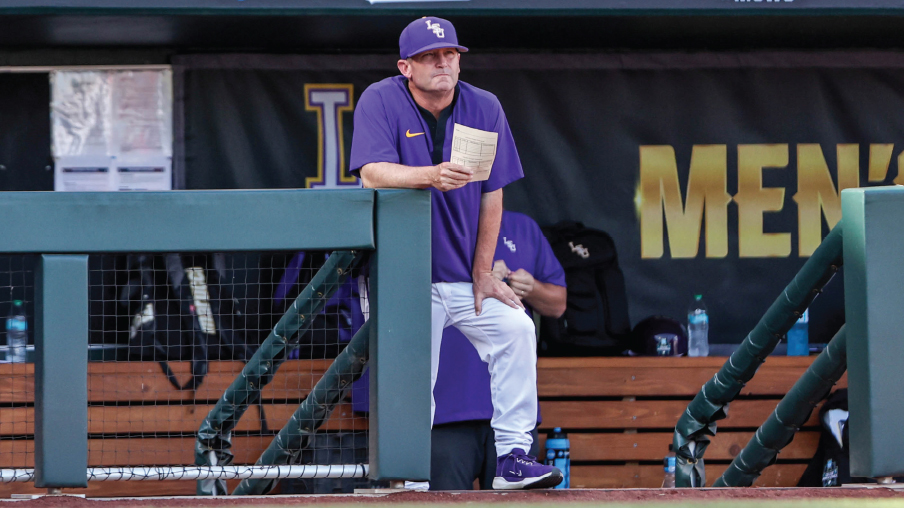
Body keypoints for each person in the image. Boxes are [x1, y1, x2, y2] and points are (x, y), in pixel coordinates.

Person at [349, 16, 563, 490]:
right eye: (429, 56)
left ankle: (512, 457)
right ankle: (408, 480)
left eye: (449, 54)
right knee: (413, 376)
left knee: (517, 329)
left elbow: (493, 192)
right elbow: (372, 173)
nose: (442, 63)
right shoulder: (381, 98)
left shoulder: (484, 105)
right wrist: (430, 175)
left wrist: (484, 272)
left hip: (464, 277)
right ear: (406, 67)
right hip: (403, 273)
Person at [431, 210, 567, 490]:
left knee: (515, 500)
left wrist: (531, 288)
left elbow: (558, 303)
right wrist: (479, 275)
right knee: (444, 503)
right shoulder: (437, 221)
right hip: (447, 409)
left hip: (512, 415)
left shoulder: (523, 227)